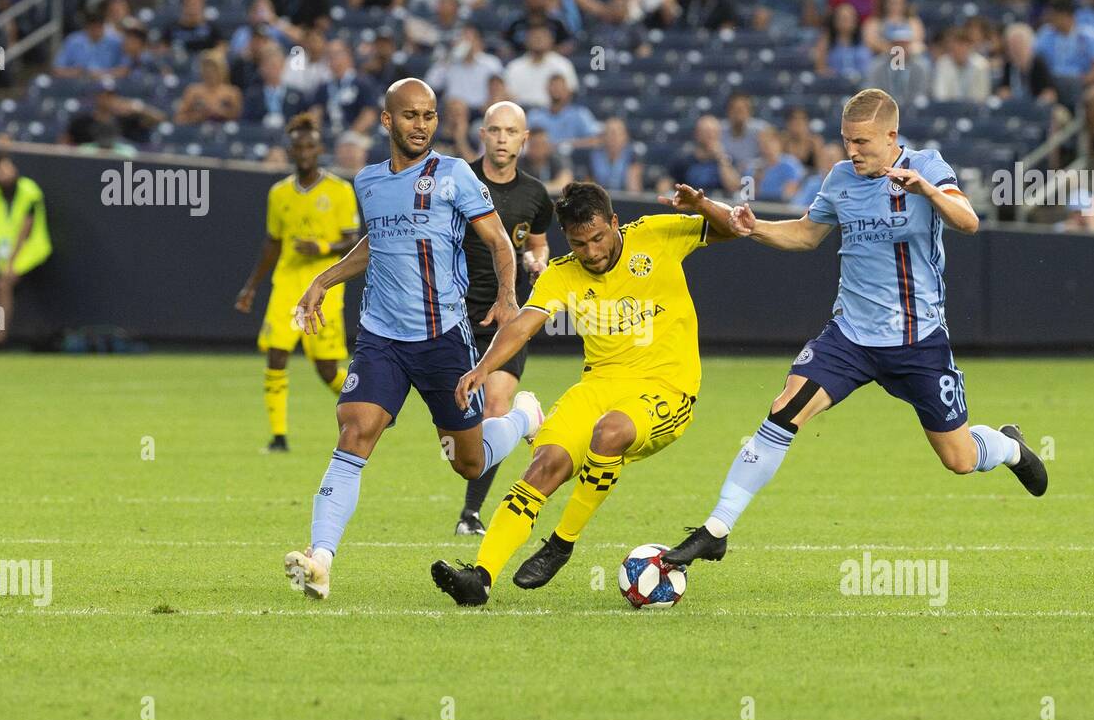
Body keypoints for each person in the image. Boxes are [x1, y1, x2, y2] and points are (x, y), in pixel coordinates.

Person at [661, 89, 1048, 569]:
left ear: (891, 136)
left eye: (863, 141)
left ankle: (1009, 445)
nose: (853, 151)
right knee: (784, 411)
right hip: (850, 338)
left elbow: (968, 221)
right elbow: (806, 233)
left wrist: (925, 190)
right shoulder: (841, 178)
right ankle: (716, 528)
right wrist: (754, 226)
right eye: (847, 141)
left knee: (960, 459)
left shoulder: (926, 166)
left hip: (918, 341)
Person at [285, 79, 542, 600]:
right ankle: (321, 559)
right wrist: (323, 279)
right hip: (381, 337)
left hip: (443, 338)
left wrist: (508, 299)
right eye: (411, 116)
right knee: (354, 430)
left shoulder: (455, 175)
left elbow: (497, 241)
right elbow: (376, 242)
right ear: (387, 121)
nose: (421, 125)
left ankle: (524, 418)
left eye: (429, 116)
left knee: (467, 461)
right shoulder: (369, 181)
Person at [430, 179, 738, 605]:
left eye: (597, 238)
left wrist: (703, 204)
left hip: (665, 389)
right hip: (597, 386)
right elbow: (522, 323)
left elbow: (734, 228)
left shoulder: (654, 235)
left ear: (614, 222)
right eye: (579, 244)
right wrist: (483, 368)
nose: (591, 252)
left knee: (608, 433)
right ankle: (480, 578)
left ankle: (561, 543)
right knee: (544, 464)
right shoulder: (561, 273)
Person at [453, 101, 554, 535]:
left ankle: (470, 514)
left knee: (494, 406)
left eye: (510, 132)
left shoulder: (535, 195)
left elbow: (538, 244)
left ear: (523, 139)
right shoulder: (459, 180)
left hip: (507, 317)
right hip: (454, 314)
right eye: (494, 130)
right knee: (456, 419)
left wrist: (538, 261)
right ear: (483, 134)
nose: (501, 139)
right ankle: (525, 419)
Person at [235, 111, 360, 452]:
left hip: (325, 285)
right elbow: (272, 243)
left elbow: (354, 239)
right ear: (290, 152)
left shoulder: (340, 191)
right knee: (275, 355)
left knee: (325, 369)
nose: (304, 152)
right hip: (287, 284)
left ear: (319, 151)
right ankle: (278, 437)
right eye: (298, 148)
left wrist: (321, 246)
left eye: (310, 147)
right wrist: (251, 287)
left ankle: (368, 403)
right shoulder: (279, 194)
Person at [0, 154, 52, 349]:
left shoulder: (29, 190)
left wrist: (10, 265)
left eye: (8, 168)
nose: (6, 173)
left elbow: (24, 232)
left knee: (2, 285)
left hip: (31, 252)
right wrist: (3, 262)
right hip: (3, 256)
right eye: (0, 170)